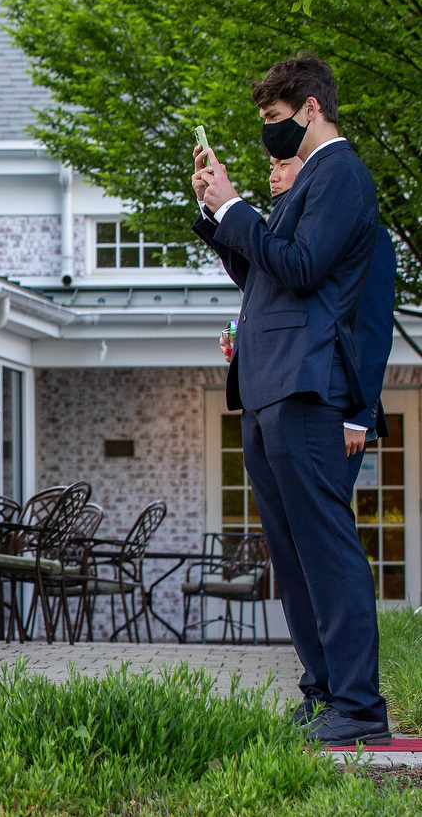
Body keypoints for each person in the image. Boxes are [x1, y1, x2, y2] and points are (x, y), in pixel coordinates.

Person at [191, 55, 390, 746]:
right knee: (293, 553)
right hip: (268, 385)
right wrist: (218, 210)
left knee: (326, 548)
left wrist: (237, 209)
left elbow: (303, 270)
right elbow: (267, 276)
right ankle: (323, 691)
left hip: (308, 386)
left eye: (274, 120)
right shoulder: (301, 191)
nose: (268, 134)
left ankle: (359, 708)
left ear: (310, 108)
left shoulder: (340, 174)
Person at [219, 154, 396, 494]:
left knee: (324, 532)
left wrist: (358, 418)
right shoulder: (288, 245)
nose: (273, 176)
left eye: (283, 165)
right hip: (281, 401)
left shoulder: (370, 238)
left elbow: (372, 332)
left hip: (335, 410)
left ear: (316, 172)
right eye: (271, 167)